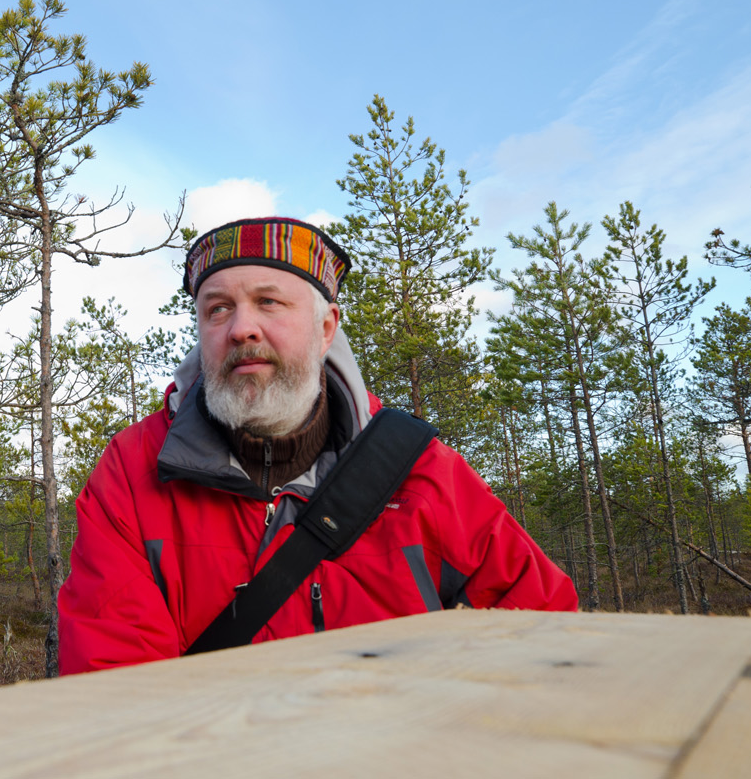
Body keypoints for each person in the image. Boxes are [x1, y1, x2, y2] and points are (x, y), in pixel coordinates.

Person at [57, 217, 577, 674]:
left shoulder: (417, 469)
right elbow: (116, 684)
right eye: (218, 310)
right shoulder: (133, 471)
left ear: (326, 328)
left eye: (268, 302)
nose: (241, 328)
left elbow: (542, 632)